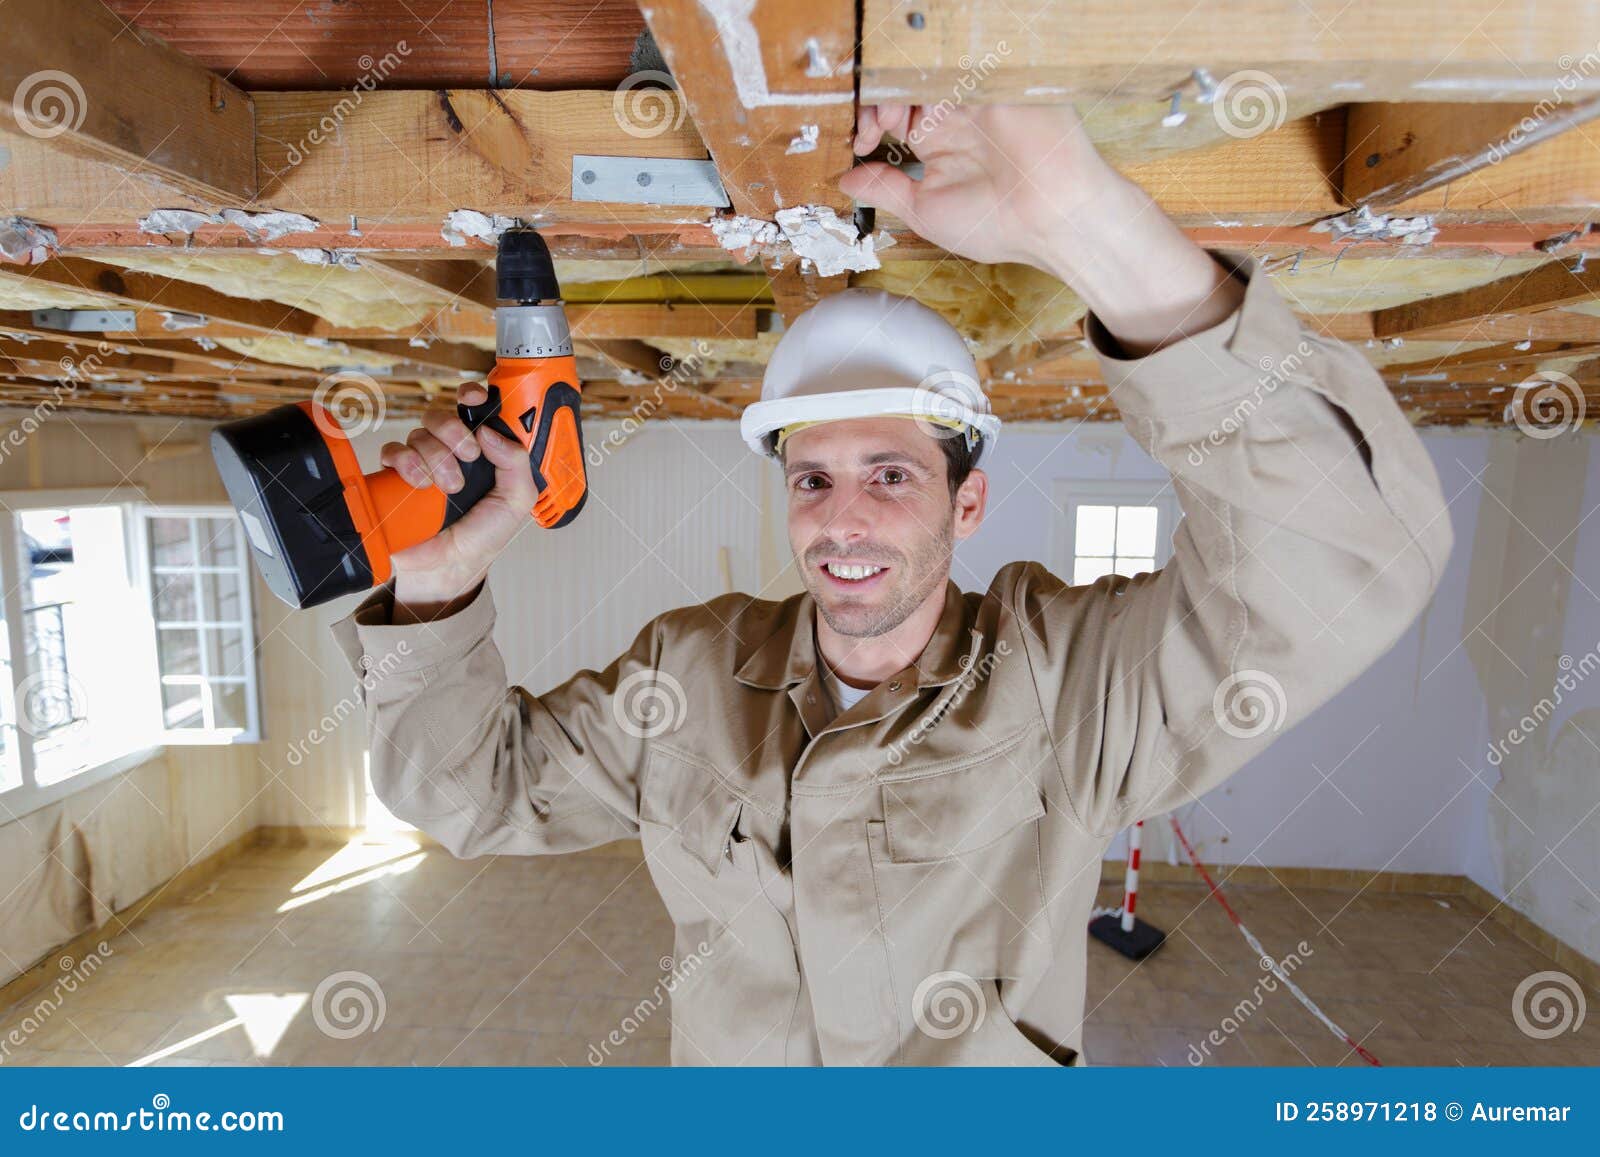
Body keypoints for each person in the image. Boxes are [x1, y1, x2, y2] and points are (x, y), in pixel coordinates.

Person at [331, 104, 1452, 1065]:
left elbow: (1342, 559)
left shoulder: (1071, 685)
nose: (844, 517)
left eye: (891, 474)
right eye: (812, 476)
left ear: (966, 503)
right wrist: (435, 586)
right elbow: (469, 792)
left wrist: (1081, 220)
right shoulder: (688, 672)